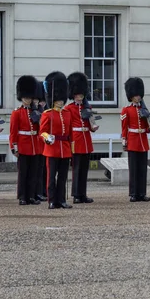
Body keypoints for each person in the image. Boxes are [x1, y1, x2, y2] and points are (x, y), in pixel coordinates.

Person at [40, 71, 73, 209]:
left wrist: (72, 151)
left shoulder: (67, 114)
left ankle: (61, 200)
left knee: (63, 177)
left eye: (62, 100)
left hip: (64, 148)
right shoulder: (47, 114)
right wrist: (48, 137)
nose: (60, 102)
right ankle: (52, 200)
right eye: (58, 100)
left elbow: (70, 133)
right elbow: (42, 132)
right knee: (51, 176)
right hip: (52, 148)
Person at [121, 77, 150, 202]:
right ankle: (133, 193)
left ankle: (142, 192)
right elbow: (124, 127)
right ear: (131, 97)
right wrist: (124, 141)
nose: (138, 97)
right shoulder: (127, 110)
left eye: (139, 95)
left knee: (142, 169)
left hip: (143, 141)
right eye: (136, 95)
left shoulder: (144, 110)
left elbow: (146, 127)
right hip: (133, 140)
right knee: (134, 169)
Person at [65, 72, 98, 204]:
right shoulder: (69, 108)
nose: (80, 97)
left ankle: (83, 194)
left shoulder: (87, 107)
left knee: (84, 169)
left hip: (86, 139)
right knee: (77, 169)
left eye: (82, 95)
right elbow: (68, 127)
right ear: (73, 95)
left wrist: (92, 128)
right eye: (78, 95)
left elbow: (90, 123)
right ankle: (76, 195)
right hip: (76, 140)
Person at [10, 75, 41, 205]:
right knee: (23, 173)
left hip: (35, 144)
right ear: (21, 98)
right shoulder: (17, 113)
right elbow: (13, 132)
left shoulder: (35, 112)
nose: (27, 100)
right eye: (25, 98)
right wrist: (14, 148)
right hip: (23, 145)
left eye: (29, 98)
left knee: (33, 173)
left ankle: (31, 196)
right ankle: (22, 196)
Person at [33, 80, 48, 202]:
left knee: (43, 169)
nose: (39, 102)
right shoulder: (32, 111)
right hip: (34, 144)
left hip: (43, 144)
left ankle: (43, 190)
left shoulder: (43, 110)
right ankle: (36, 192)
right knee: (36, 170)